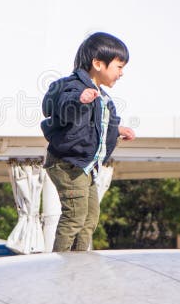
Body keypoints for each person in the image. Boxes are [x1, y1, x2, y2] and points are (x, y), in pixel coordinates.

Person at [41, 32, 136, 252]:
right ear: (98, 64)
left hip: (85, 167)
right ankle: (61, 263)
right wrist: (79, 99)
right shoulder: (73, 87)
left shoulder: (103, 98)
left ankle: (80, 262)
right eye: (119, 67)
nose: (121, 73)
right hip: (67, 163)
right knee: (75, 216)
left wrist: (117, 130)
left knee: (90, 218)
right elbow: (65, 107)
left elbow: (96, 126)